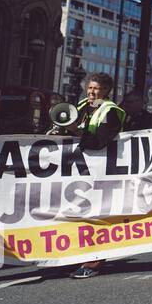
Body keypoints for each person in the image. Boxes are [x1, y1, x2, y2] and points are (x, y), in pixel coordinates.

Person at [52, 73, 127, 280]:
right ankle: (76, 257)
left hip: (101, 170)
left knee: (97, 216)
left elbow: (99, 141)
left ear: (106, 91)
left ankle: (93, 263)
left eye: (97, 89)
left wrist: (75, 130)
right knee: (76, 214)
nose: (92, 92)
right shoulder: (82, 105)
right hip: (79, 169)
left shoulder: (112, 112)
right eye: (90, 88)